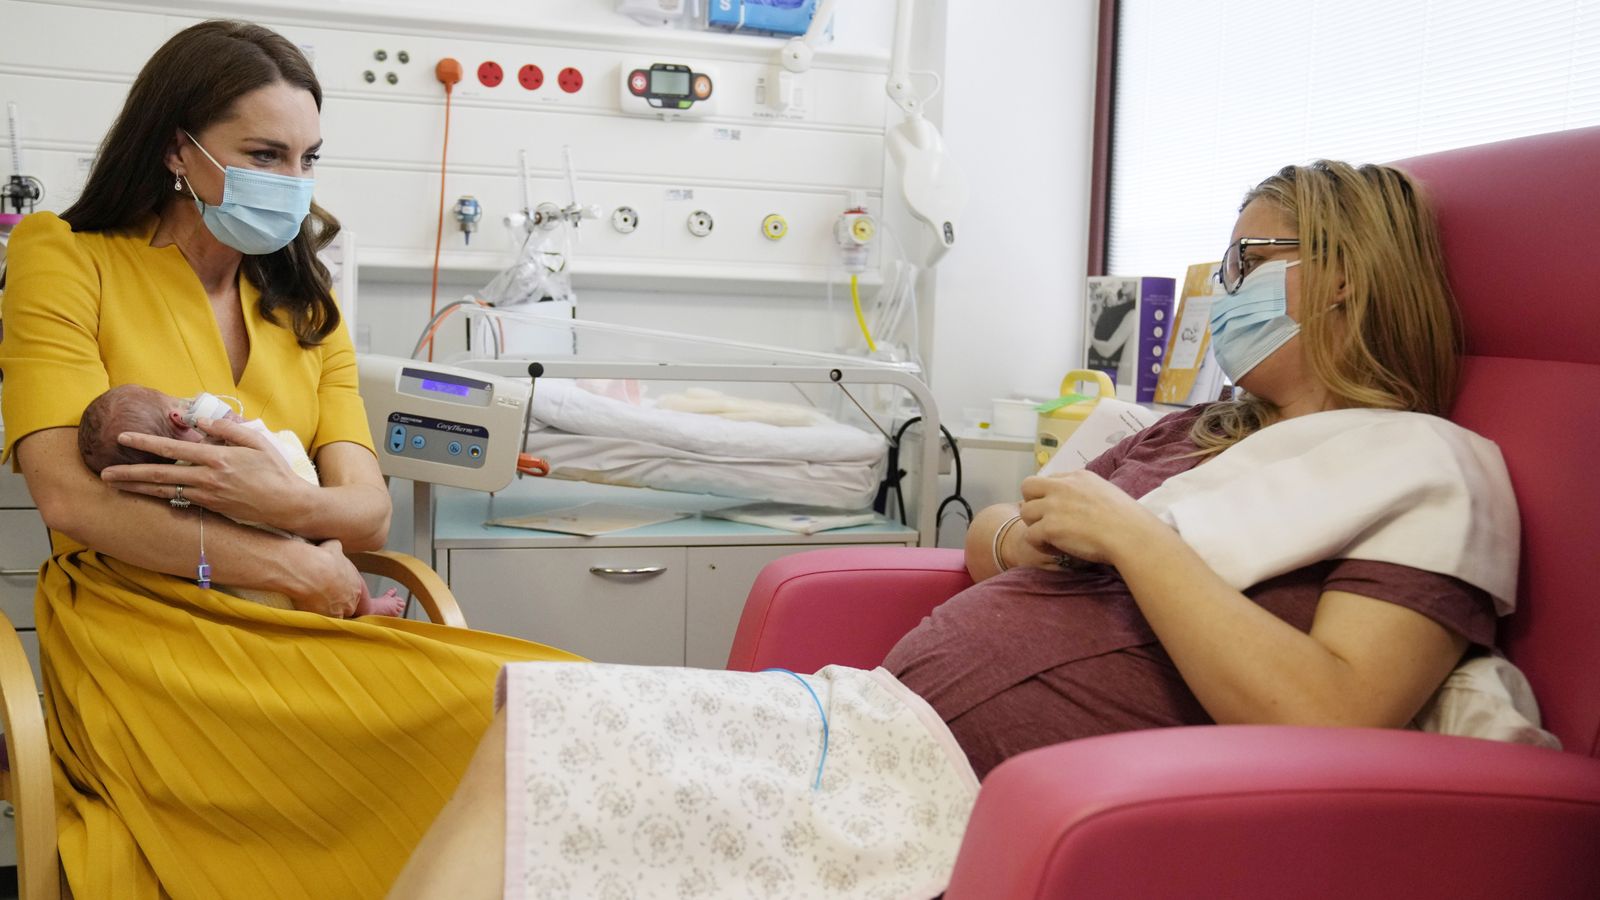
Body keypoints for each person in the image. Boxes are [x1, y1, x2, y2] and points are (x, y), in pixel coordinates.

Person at [386, 158, 1520, 897]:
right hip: (876, 726)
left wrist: (1134, 540)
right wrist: (1027, 539)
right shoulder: (1187, 431)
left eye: (1247, 263)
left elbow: (1331, 711)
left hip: (964, 791)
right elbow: (991, 535)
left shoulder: (1421, 464)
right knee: (533, 716)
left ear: (1345, 279)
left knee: (549, 737)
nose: (1221, 290)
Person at [0, 20, 580, 898]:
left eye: (308, 158)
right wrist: (294, 562)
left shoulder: (307, 307)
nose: (292, 182)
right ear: (177, 151)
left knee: (545, 704)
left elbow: (367, 513)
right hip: (145, 630)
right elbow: (71, 502)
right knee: (476, 723)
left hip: (311, 610)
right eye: (265, 155)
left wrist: (276, 504)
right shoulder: (66, 259)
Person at [77, 384, 405, 616]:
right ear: (179, 418)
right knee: (341, 563)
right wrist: (239, 425)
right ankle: (369, 608)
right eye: (182, 402)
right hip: (305, 568)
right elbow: (285, 463)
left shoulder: (164, 491)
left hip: (242, 601)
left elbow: (373, 520)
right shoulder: (225, 451)